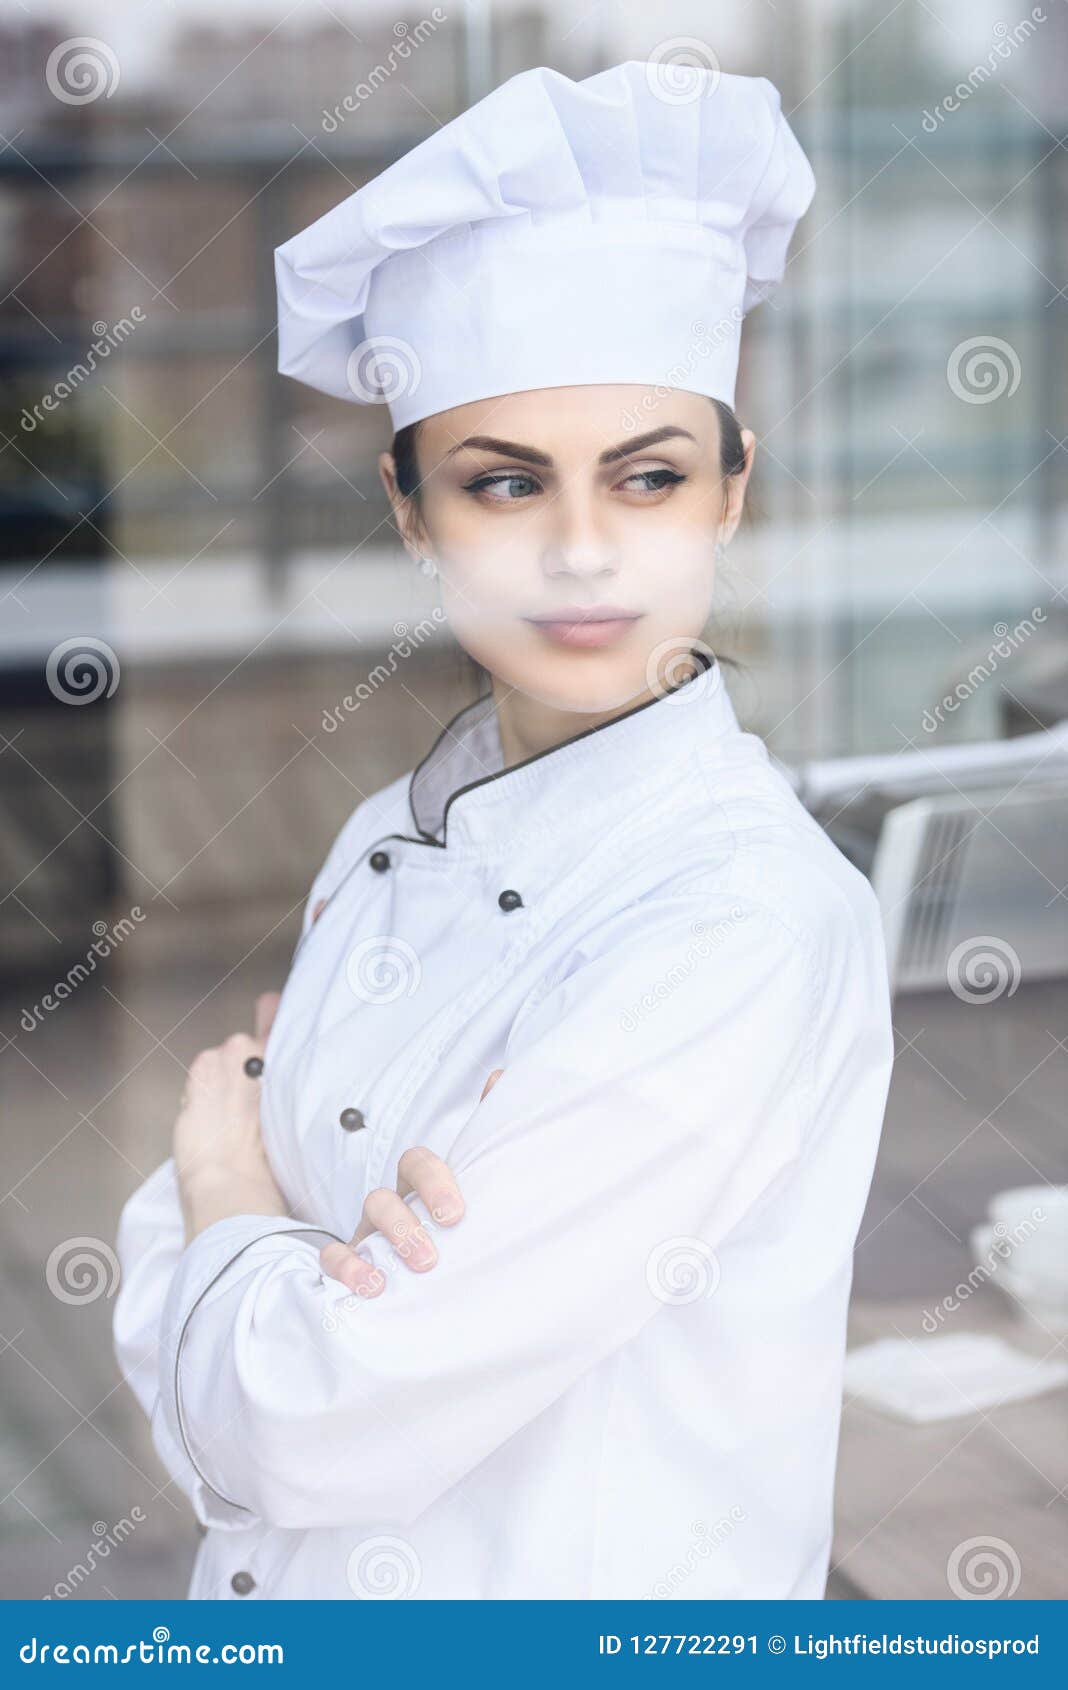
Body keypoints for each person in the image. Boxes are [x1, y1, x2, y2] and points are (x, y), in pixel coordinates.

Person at [113, 61, 894, 1601]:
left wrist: (233, 1206)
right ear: (412, 510)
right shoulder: (380, 842)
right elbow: (256, 1346)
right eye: (503, 483)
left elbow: (302, 1419)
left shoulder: (737, 918)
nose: (583, 549)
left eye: (649, 476)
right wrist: (279, 1251)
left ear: (733, 490)